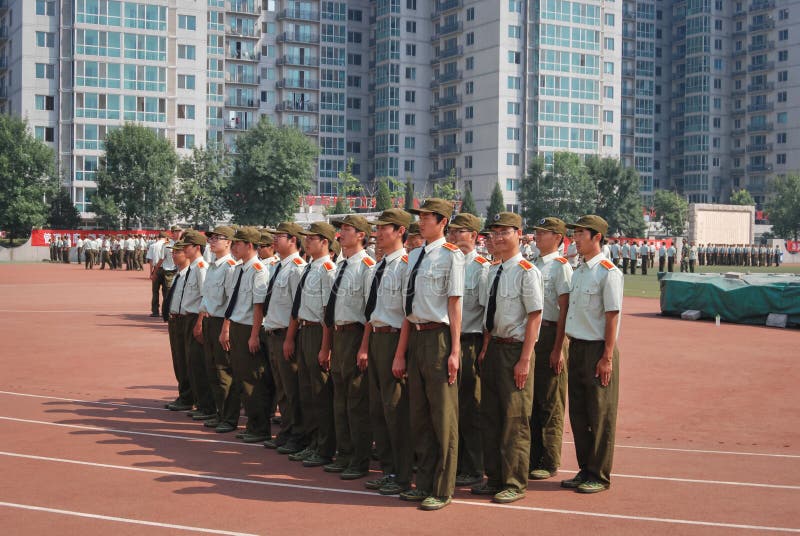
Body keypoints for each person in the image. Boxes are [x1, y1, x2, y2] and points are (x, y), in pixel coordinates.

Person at [395, 198, 464, 511]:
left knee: (443, 417)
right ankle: (422, 482)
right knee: (419, 416)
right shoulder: (414, 255)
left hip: (438, 338)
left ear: (442, 222)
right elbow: (407, 309)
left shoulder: (452, 256)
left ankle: (442, 486)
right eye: (419, 217)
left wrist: (455, 350)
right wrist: (401, 353)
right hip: (417, 338)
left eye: (426, 217)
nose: (420, 222)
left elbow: (454, 304)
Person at [472, 212, 542, 504]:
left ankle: (514, 481)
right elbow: (491, 315)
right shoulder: (493, 271)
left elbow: (535, 316)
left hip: (515, 350)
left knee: (515, 418)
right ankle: (495, 477)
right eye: (494, 233)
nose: (498, 238)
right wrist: (486, 347)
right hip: (495, 348)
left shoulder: (527, 271)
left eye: (504, 232)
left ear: (519, 234)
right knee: (491, 416)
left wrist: (525, 359)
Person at [561, 215, 622, 494]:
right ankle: (585, 469)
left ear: (597, 236)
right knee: (579, 413)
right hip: (578, 347)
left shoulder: (608, 272)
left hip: (598, 349)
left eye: (580, 233)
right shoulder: (581, 270)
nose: (575, 238)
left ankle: (599, 474)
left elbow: (612, 317)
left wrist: (607, 356)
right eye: (574, 233)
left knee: (600, 414)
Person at [359, 209, 414, 495]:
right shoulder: (377, 267)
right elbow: (372, 312)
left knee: (395, 411)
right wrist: (365, 345)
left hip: (394, 341)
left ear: (400, 231)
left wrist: (400, 353)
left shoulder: (406, 265)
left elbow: (407, 314)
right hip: (377, 339)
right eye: (377, 229)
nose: (377, 234)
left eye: (384, 229)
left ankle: (402, 474)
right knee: (378, 410)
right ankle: (388, 469)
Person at [321, 215, 375, 480]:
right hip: (339, 335)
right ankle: (344, 454)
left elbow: (369, 312)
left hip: (355, 335)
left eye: (346, 229)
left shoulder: (367, 266)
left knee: (356, 401)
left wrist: (364, 347)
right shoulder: (339, 266)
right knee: (339, 399)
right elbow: (331, 312)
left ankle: (359, 458)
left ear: (361, 235)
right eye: (340, 229)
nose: (340, 234)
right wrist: (326, 347)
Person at [287, 222, 337, 468]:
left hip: (318, 332)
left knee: (320, 393)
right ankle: (312, 442)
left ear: (325, 242)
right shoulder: (309, 268)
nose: (307, 242)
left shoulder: (328, 269)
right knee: (306, 391)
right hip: (305, 330)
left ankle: (324, 447)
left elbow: (328, 313)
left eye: (312, 238)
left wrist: (325, 347)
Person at [446, 212, 488, 489]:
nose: (454, 235)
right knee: (452, 407)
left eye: (461, 231)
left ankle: (474, 467)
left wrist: (484, 351)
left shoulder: (482, 268)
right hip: (450, 341)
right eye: (452, 230)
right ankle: (456, 462)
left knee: (471, 408)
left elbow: (488, 315)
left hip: (471, 342)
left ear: (473, 236)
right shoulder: (450, 262)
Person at [529, 217, 572, 482]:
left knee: (551, 400)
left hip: (551, 332)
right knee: (532, 398)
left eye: (543, 233)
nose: (537, 236)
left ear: (557, 237)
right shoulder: (533, 265)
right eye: (537, 232)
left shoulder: (560, 267)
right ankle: (533, 455)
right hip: (533, 333)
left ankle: (549, 458)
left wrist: (559, 347)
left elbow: (565, 309)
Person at [219, 227, 270, 443]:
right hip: (238, 326)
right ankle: (251, 424)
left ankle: (259, 427)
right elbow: (233, 302)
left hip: (250, 328)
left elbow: (258, 307)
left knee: (253, 380)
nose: (234, 247)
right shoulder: (239, 270)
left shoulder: (259, 270)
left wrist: (254, 335)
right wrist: (227, 327)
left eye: (238, 243)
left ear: (249, 245)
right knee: (241, 378)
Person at [261, 222, 308, 453]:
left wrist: (289, 338)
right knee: (282, 388)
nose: (275, 240)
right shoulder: (278, 266)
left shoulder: (297, 268)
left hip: (285, 336)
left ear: (293, 240)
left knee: (292, 389)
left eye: (280, 236)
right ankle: (287, 431)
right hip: (273, 332)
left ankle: (297, 435)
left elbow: (296, 309)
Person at [198, 226, 241, 433]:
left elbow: (231, 301)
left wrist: (226, 328)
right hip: (209, 320)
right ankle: (220, 413)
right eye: (211, 238)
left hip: (221, 322)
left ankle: (229, 416)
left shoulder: (230, 267)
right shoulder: (213, 266)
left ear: (229, 242)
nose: (212, 241)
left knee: (224, 371)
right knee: (211, 369)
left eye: (218, 238)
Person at [175, 230, 215, 421]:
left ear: (196, 248)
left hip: (196, 318)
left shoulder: (201, 268)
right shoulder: (192, 267)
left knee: (199, 364)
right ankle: (200, 403)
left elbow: (205, 298)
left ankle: (206, 406)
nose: (183, 249)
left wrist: (199, 323)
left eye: (186, 246)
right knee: (191, 363)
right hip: (187, 317)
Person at [162, 241, 193, 411]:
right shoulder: (178, 274)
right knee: (178, 360)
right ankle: (184, 394)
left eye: (177, 252)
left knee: (186, 360)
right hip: (175, 320)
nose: (173, 255)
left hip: (185, 320)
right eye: (172, 252)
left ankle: (188, 397)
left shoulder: (192, 272)